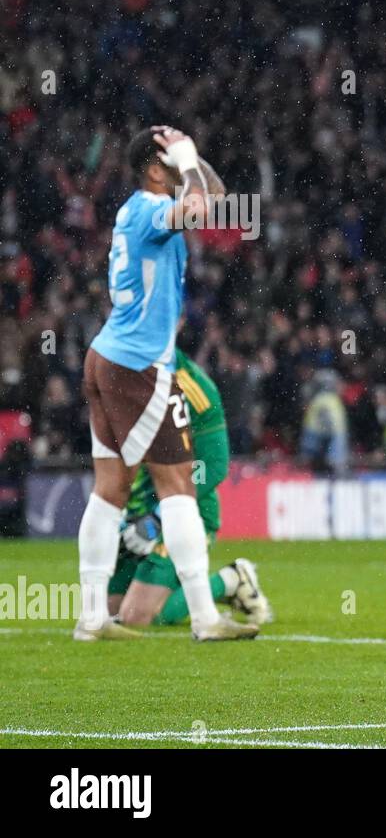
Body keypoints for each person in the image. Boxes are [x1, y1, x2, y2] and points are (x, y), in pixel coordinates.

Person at [74, 125, 254, 641]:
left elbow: (213, 200)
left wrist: (192, 155)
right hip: (140, 365)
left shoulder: (134, 209)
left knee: (110, 490)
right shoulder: (154, 211)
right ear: (155, 170)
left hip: (105, 357)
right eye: (170, 162)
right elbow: (198, 209)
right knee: (177, 487)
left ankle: (91, 619)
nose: (179, 169)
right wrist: (186, 163)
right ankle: (205, 618)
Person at [108, 348, 273, 628]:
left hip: (187, 513)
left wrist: (160, 515)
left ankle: (231, 579)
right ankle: (181, 591)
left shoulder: (194, 387)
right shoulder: (119, 374)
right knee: (107, 613)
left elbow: (213, 464)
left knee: (136, 617)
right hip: (138, 513)